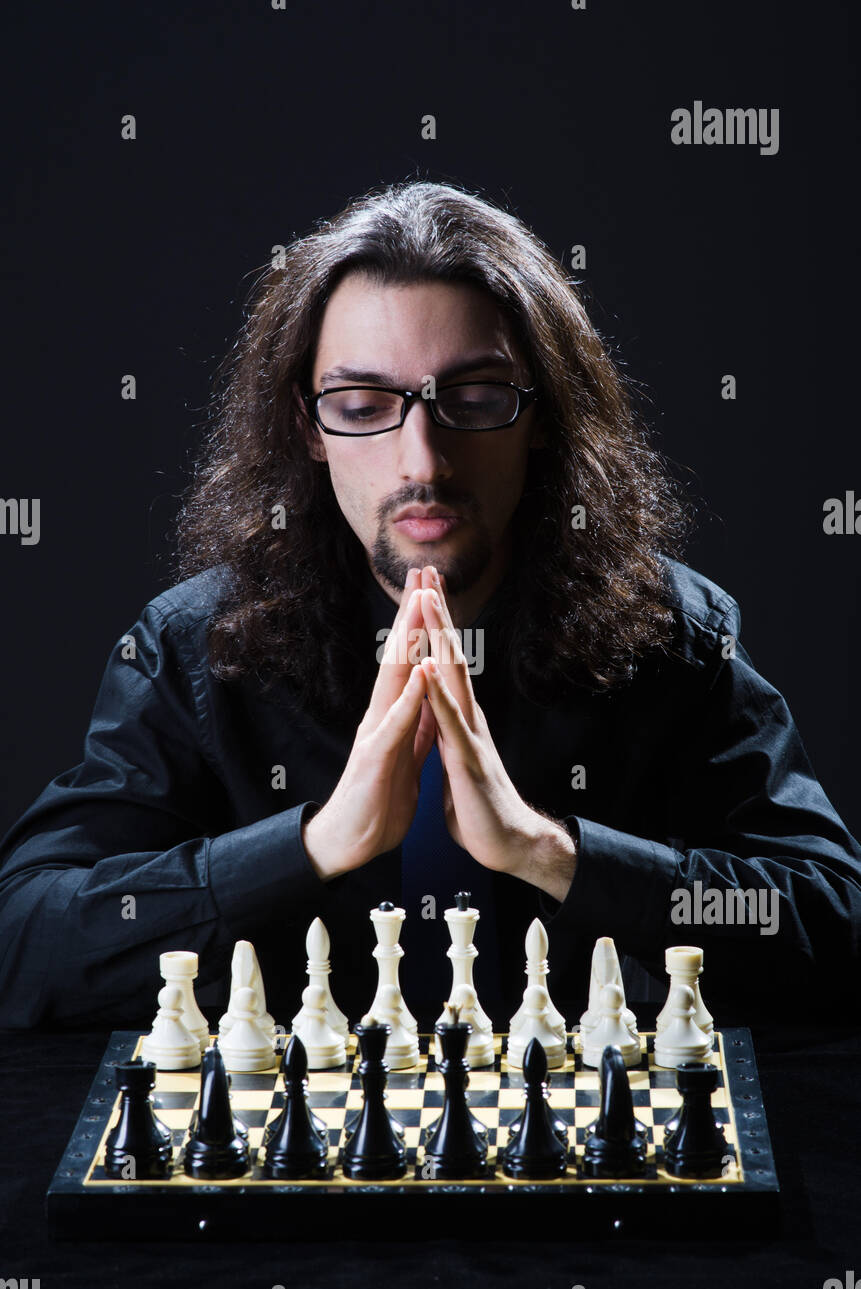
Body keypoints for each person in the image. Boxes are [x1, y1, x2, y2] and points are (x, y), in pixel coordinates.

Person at [1, 179, 858, 1031]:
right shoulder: (191, 648)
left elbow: (833, 927)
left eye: (475, 398)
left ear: (542, 416)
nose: (423, 460)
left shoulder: (673, 634)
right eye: (364, 405)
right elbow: (25, 941)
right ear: (308, 427)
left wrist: (546, 851)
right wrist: (311, 845)